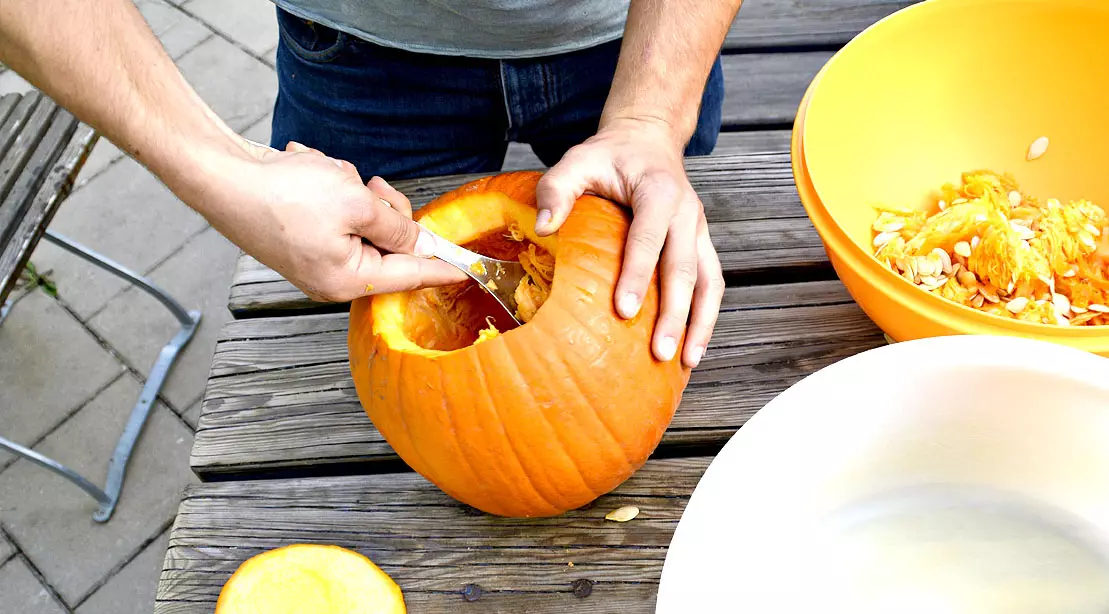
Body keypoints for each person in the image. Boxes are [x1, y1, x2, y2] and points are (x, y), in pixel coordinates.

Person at [0, 0, 741, 369]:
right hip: (354, 48)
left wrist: (649, 115)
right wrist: (221, 170)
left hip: (641, 32)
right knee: (357, 335)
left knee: (647, 295)